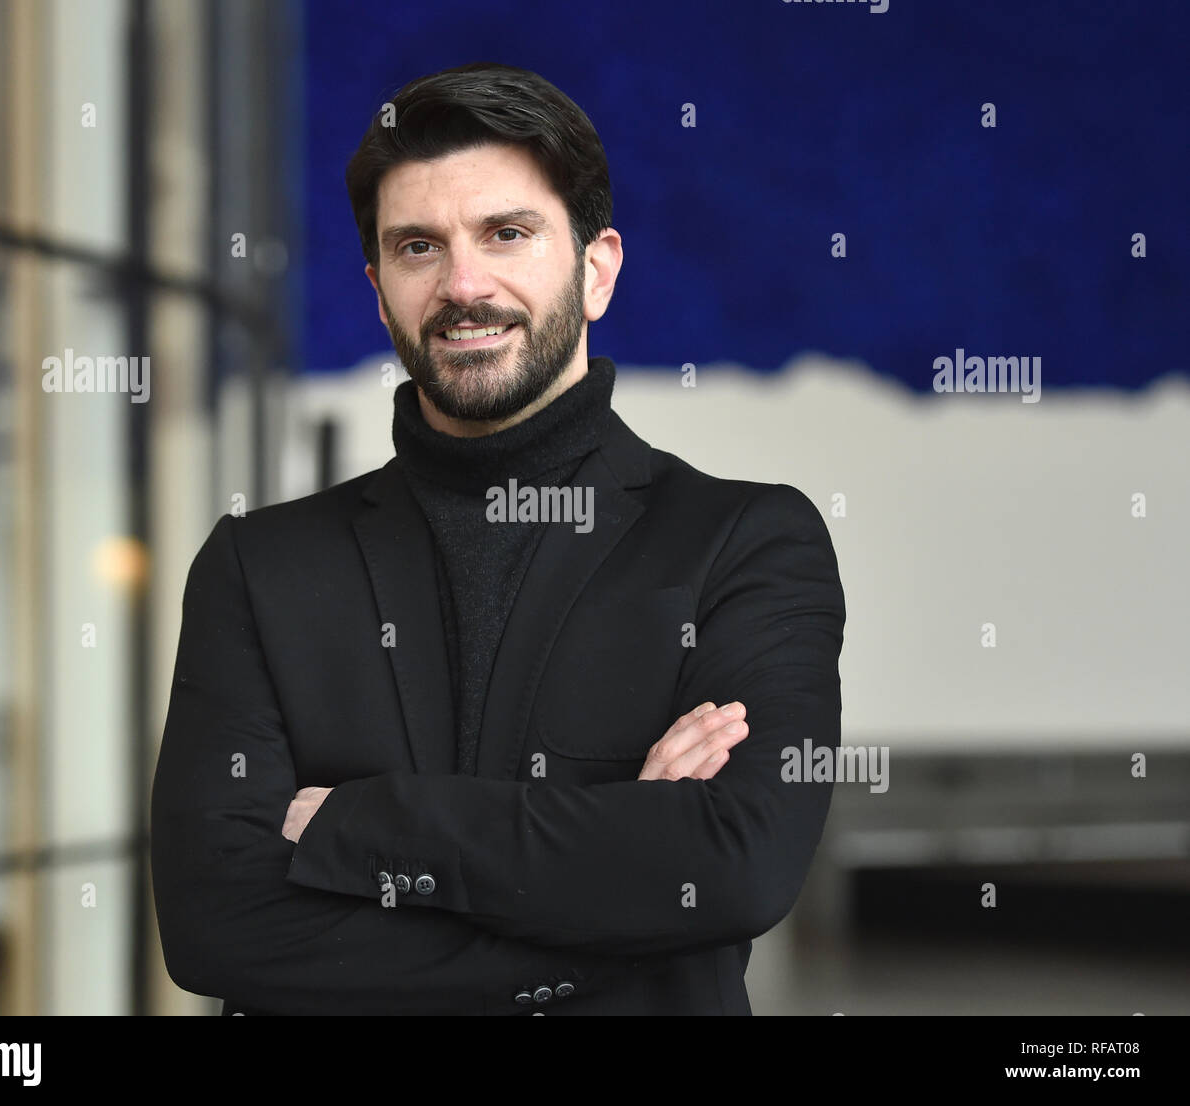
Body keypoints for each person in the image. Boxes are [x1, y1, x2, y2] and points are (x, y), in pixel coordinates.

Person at [150, 61, 846, 1015]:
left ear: (596, 269)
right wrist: (621, 904)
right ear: (378, 285)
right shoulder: (260, 568)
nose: (463, 285)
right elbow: (216, 924)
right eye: (418, 247)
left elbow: (734, 871)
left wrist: (366, 823)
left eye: (506, 234)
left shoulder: (744, 544)